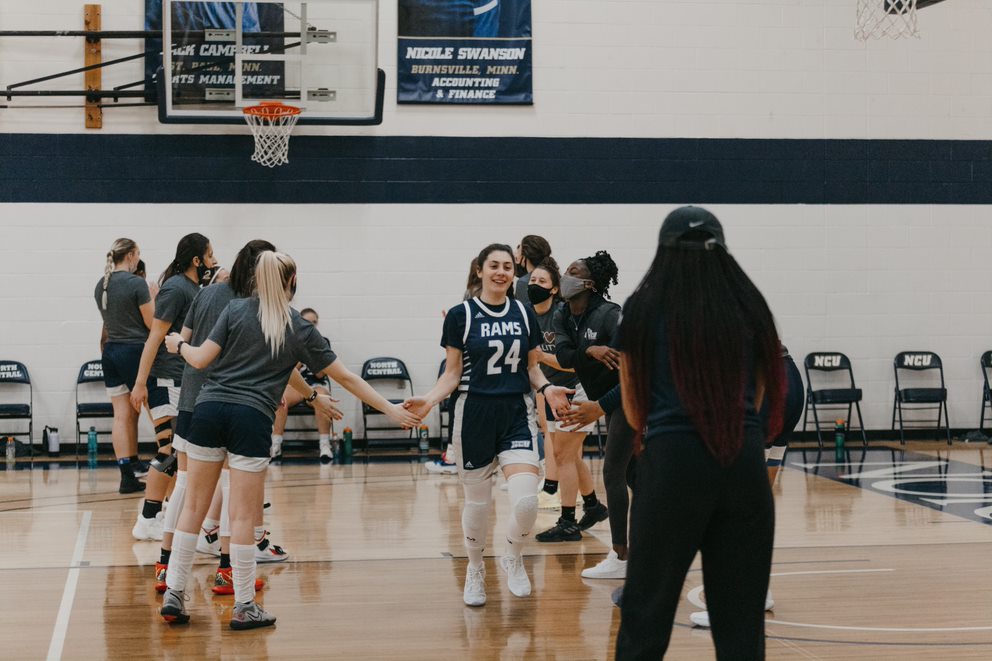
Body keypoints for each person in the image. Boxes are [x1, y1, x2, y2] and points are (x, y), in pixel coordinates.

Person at [159, 251, 419, 629]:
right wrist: (391, 409)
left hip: (208, 410)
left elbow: (198, 360)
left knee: (193, 507)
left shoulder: (234, 311)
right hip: (251, 419)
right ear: (292, 280)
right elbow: (346, 377)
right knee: (244, 515)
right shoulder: (299, 328)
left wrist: (177, 346)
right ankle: (245, 606)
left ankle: (175, 593)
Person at [613, 206, 785, 660]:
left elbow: (633, 408)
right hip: (743, 463)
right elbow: (762, 394)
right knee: (741, 624)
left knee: (645, 615)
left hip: (672, 466)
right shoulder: (750, 305)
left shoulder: (644, 307)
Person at [403, 244, 573, 607]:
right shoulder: (461, 315)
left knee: (527, 499)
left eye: (507, 266)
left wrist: (547, 387)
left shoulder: (524, 312)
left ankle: (513, 555)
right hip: (474, 413)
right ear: (479, 270)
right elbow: (451, 374)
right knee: (478, 506)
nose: (501, 271)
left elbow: (530, 368)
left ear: (514, 273)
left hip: (515, 412)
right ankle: (476, 567)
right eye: (493, 265)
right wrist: (429, 400)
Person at [688, 344, 804, 628]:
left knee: (735, 504)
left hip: (766, 384)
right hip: (790, 380)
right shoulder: (739, 303)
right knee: (758, 501)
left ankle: (734, 603)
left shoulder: (705, 309)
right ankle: (757, 592)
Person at [552, 250, 635, 579]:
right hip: (607, 397)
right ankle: (653, 548)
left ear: (587, 283)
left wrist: (601, 406)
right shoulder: (563, 312)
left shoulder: (611, 316)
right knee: (634, 476)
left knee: (614, 471)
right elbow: (563, 356)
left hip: (630, 397)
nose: (564, 276)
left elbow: (632, 375)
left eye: (572, 271)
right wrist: (590, 350)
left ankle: (621, 555)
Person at [130, 233, 217, 542]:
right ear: (197, 260)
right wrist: (141, 383)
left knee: (182, 453)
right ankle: (147, 518)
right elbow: (155, 337)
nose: (213, 259)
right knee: (168, 449)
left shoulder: (195, 289)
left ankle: (165, 510)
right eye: (210, 254)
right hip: (165, 379)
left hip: (185, 379)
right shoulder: (177, 288)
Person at [527, 258, 608, 542]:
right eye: (532, 280)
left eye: (542, 282)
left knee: (563, 455)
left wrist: (539, 356)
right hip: (550, 391)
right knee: (569, 455)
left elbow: (574, 363)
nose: (534, 285)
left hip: (577, 388)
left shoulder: (565, 313)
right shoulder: (527, 314)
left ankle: (568, 521)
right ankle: (593, 506)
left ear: (553, 290)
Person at [94, 238, 154, 494]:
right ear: (130, 255)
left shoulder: (101, 285)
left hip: (111, 351)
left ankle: (127, 475)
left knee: (121, 415)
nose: (139, 259)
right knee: (157, 410)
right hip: (135, 351)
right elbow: (153, 324)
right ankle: (170, 465)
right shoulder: (136, 284)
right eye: (138, 254)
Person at [426, 257, 483, 475]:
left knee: (457, 405)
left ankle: (454, 455)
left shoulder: (477, 292)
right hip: (468, 367)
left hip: (473, 371)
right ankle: (454, 454)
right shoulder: (467, 299)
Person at [271, 307, 337, 463]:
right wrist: (302, 357)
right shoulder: (289, 340)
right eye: (308, 322)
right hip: (296, 385)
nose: (311, 325)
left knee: (323, 399)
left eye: (314, 322)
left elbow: (321, 373)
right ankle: (275, 445)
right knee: (281, 400)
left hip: (316, 384)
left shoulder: (322, 341)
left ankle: (325, 445)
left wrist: (308, 353)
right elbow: (289, 371)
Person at [512, 235, 552, 302]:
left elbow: (522, 311)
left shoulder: (524, 282)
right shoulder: (554, 276)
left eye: (519, 248)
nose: (516, 252)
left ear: (524, 256)